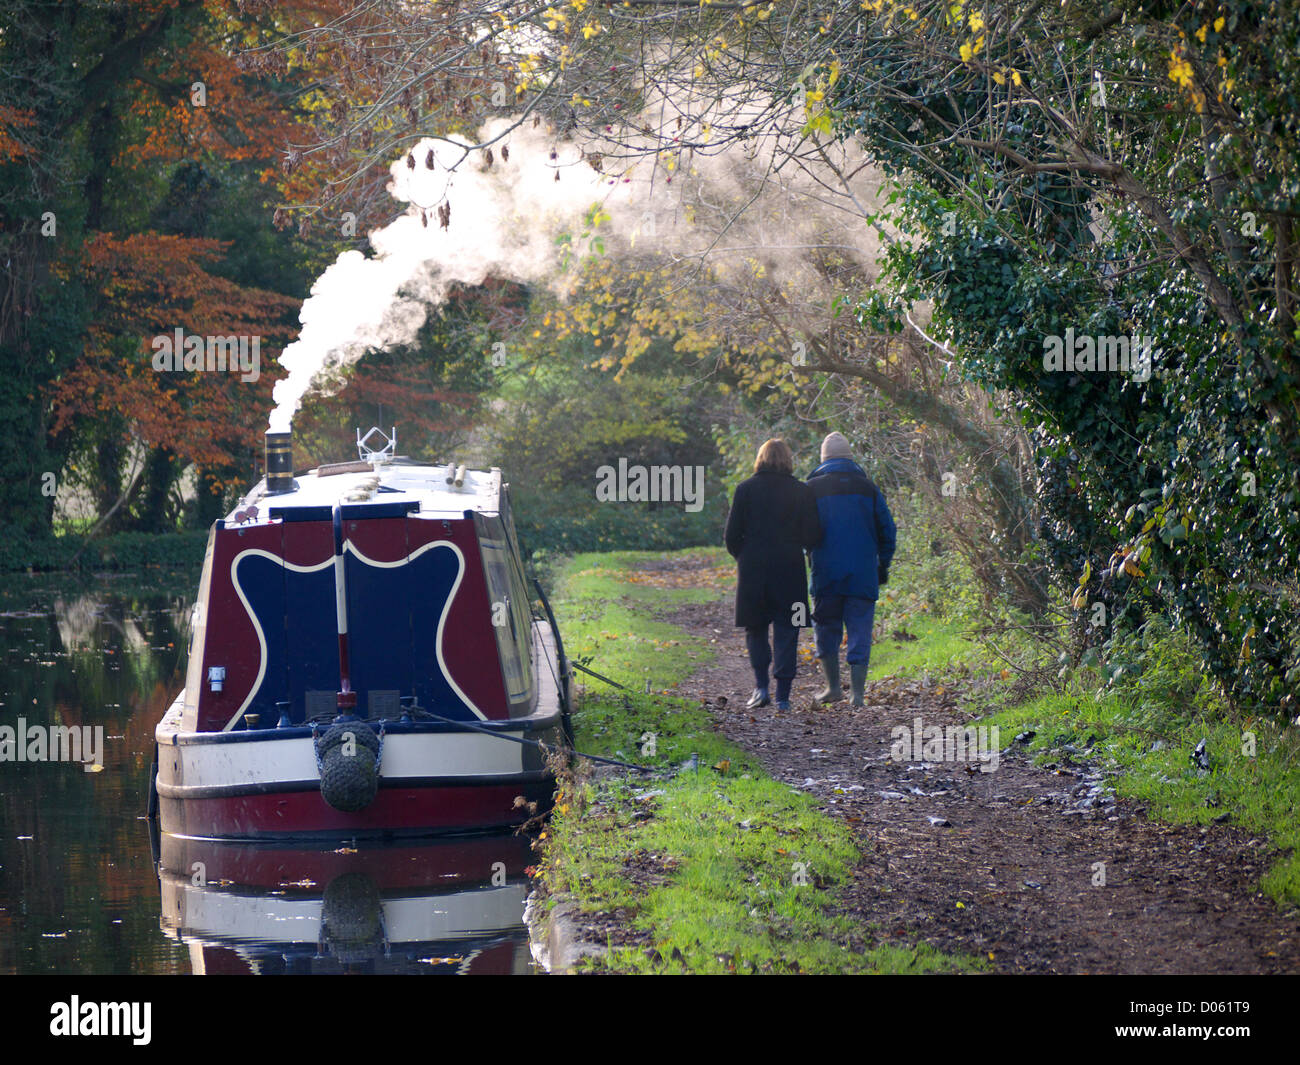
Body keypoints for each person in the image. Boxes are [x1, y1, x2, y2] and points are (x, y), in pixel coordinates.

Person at [724, 439, 821, 711]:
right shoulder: (803, 492)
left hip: (752, 568)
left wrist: (744, 556)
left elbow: (731, 536)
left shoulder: (745, 489)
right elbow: (813, 535)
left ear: (760, 459)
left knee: (755, 627)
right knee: (790, 629)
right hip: (790, 568)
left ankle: (761, 687)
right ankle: (784, 696)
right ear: (788, 460)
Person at [807, 432, 897, 708]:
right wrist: (883, 562)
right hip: (863, 572)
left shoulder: (811, 488)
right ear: (850, 458)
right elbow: (888, 530)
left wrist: (810, 554)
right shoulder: (868, 488)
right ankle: (857, 694)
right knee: (859, 630)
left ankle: (833, 687)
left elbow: (802, 530)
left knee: (825, 628)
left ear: (824, 459)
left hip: (826, 572)